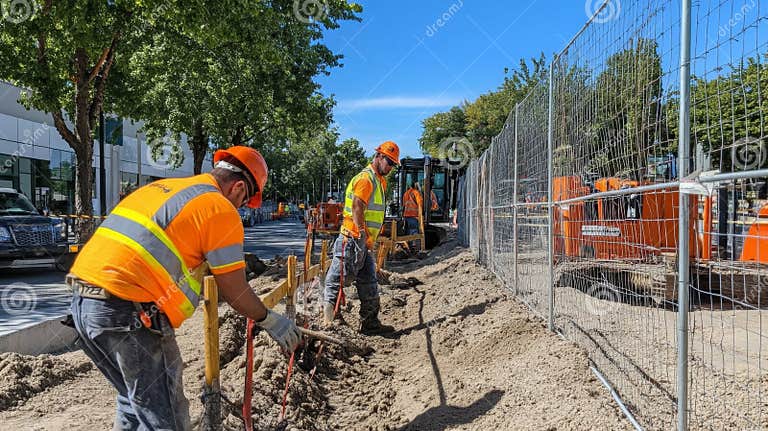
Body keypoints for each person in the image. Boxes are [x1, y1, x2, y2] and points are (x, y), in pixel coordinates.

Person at [66, 146, 301, 431]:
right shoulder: (219, 208)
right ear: (239, 187)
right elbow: (235, 290)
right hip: (130, 312)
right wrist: (268, 318)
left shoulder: (162, 189)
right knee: (168, 419)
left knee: (134, 403)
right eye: (245, 200)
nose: (240, 207)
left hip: (83, 305)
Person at [323, 141, 399, 335]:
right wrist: (362, 234)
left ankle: (370, 322)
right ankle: (329, 321)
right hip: (352, 238)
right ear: (379, 157)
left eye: (393, 164)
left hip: (363, 241)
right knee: (338, 278)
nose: (391, 168)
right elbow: (358, 206)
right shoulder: (366, 179)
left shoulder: (378, 180)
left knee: (368, 281)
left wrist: (367, 239)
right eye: (389, 162)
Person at [401, 181, 423, 248]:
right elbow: (420, 204)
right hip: (414, 216)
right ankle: (415, 247)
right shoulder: (416, 193)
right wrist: (421, 216)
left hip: (406, 216)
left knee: (408, 233)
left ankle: (409, 247)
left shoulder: (406, 193)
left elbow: (404, 205)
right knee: (414, 232)